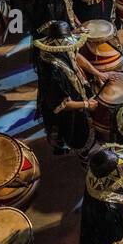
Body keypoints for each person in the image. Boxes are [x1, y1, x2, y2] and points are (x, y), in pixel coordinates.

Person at [34, 20, 97, 156]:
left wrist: (98, 73)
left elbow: (75, 57)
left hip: (74, 94)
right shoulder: (51, 69)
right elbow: (61, 104)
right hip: (63, 104)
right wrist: (86, 104)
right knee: (65, 129)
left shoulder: (62, 49)